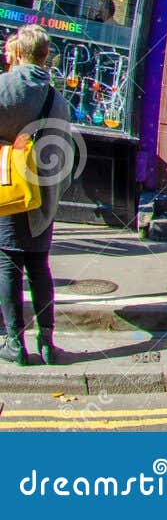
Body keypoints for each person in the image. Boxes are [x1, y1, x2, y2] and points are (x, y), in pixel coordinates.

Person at [0, 25, 71, 364]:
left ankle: (15, 344)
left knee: (9, 266)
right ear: (45, 56)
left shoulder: (4, 87)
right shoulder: (58, 100)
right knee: (39, 267)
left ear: (19, 52)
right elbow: (66, 157)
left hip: (8, 192)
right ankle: (47, 342)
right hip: (43, 198)